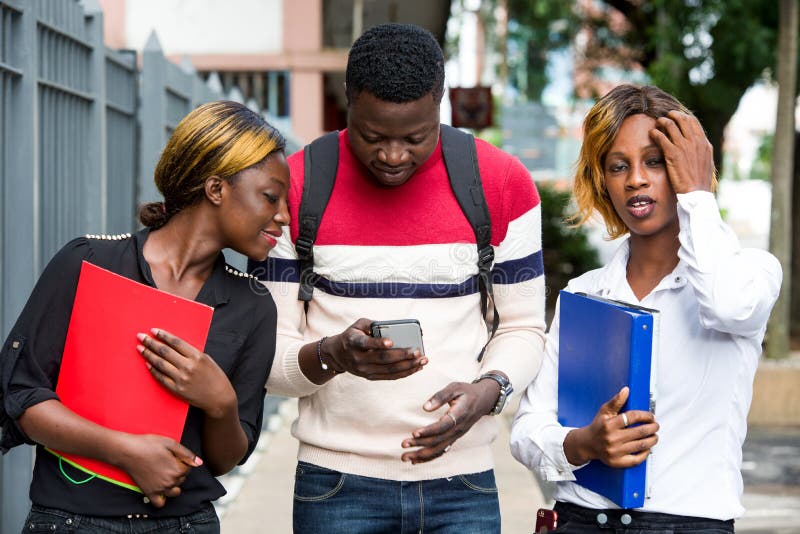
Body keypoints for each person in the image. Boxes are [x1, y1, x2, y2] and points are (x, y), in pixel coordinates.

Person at [252, 23, 546, 533]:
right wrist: (334, 355)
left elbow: (523, 328)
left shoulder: (501, 184)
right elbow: (268, 358)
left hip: (464, 486)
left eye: (415, 137)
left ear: (440, 106)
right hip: (336, 484)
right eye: (373, 136)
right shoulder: (295, 186)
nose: (392, 156)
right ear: (347, 103)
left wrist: (488, 392)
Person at [0, 100, 289, 531]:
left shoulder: (253, 304)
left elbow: (227, 458)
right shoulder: (89, 262)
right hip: (70, 520)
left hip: (186, 524)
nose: (283, 216)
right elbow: (21, 396)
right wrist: (126, 451)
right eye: (271, 198)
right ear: (216, 189)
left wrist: (220, 402)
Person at [509, 84, 782, 532]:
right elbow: (526, 430)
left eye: (655, 161)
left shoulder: (750, 272)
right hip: (580, 519)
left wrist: (696, 193)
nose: (636, 178)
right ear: (604, 182)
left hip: (688, 523)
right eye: (619, 166)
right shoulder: (584, 293)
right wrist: (584, 443)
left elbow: (727, 307)